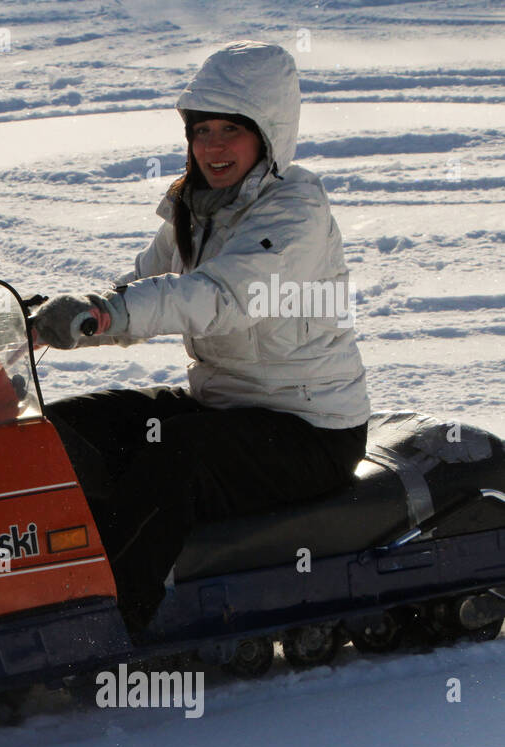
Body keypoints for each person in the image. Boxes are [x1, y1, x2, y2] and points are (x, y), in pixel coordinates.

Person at [31, 41, 370, 635]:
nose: (212, 147)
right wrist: (61, 318)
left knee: (172, 459)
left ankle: (111, 621)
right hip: (222, 407)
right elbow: (145, 285)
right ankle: (24, 582)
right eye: (201, 129)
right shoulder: (198, 205)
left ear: (269, 135)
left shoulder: (295, 213)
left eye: (231, 131)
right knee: (60, 431)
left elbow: (221, 297)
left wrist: (107, 314)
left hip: (309, 430)